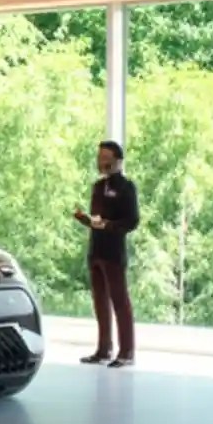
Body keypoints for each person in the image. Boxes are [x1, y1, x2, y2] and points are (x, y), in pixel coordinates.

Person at [73, 140, 140, 368]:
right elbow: (96, 218)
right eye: (100, 157)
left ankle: (127, 351)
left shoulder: (126, 188)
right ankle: (104, 349)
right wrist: (87, 220)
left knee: (120, 301)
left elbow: (132, 221)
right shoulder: (97, 187)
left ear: (118, 161)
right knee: (100, 301)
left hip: (113, 251)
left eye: (106, 158)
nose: (101, 162)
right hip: (96, 250)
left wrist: (110, 226)